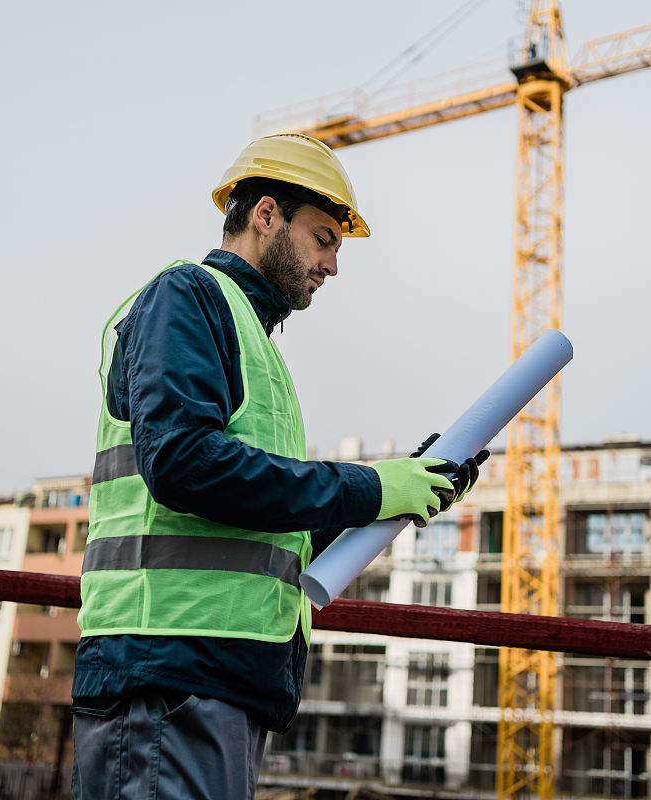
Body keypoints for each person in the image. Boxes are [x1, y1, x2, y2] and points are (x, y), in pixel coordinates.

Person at [71, 133, 485, 800]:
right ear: (266, 215)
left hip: (216, 673)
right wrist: (367, 487)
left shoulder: (251, 344)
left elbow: (272, 528)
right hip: (167, 669)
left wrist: (404, 491)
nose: (333, 265)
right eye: (324, 238)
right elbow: (182, 464)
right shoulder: (188, 297)